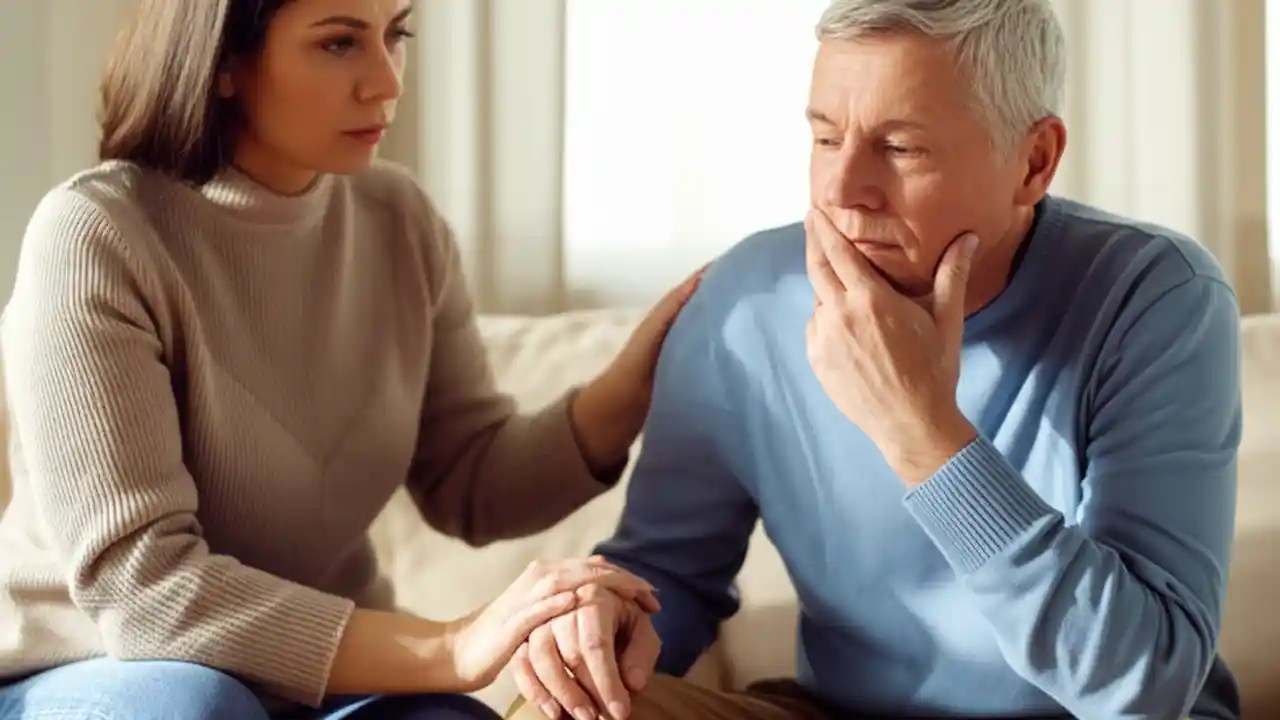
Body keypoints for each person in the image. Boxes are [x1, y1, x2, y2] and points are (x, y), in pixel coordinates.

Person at [508, 1, 1242, 718]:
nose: (842, 191)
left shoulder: (1156, 299)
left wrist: (921, 430)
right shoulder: (745, 304)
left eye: (901, 148)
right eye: (827, 138)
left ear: (1034, 161)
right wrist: (603, 624)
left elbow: (1146, 688)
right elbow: (668, 575)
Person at [0, 1, 698, 718]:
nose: (387, 82)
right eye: (339, 43)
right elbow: (142, 590)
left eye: (396, 34)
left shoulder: (399, 220)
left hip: (318, 679)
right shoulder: (96, 235)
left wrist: (633, 383)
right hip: (97, 665)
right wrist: (451, 647)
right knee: (195, 705)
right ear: (224, 60)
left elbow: (473, 480)